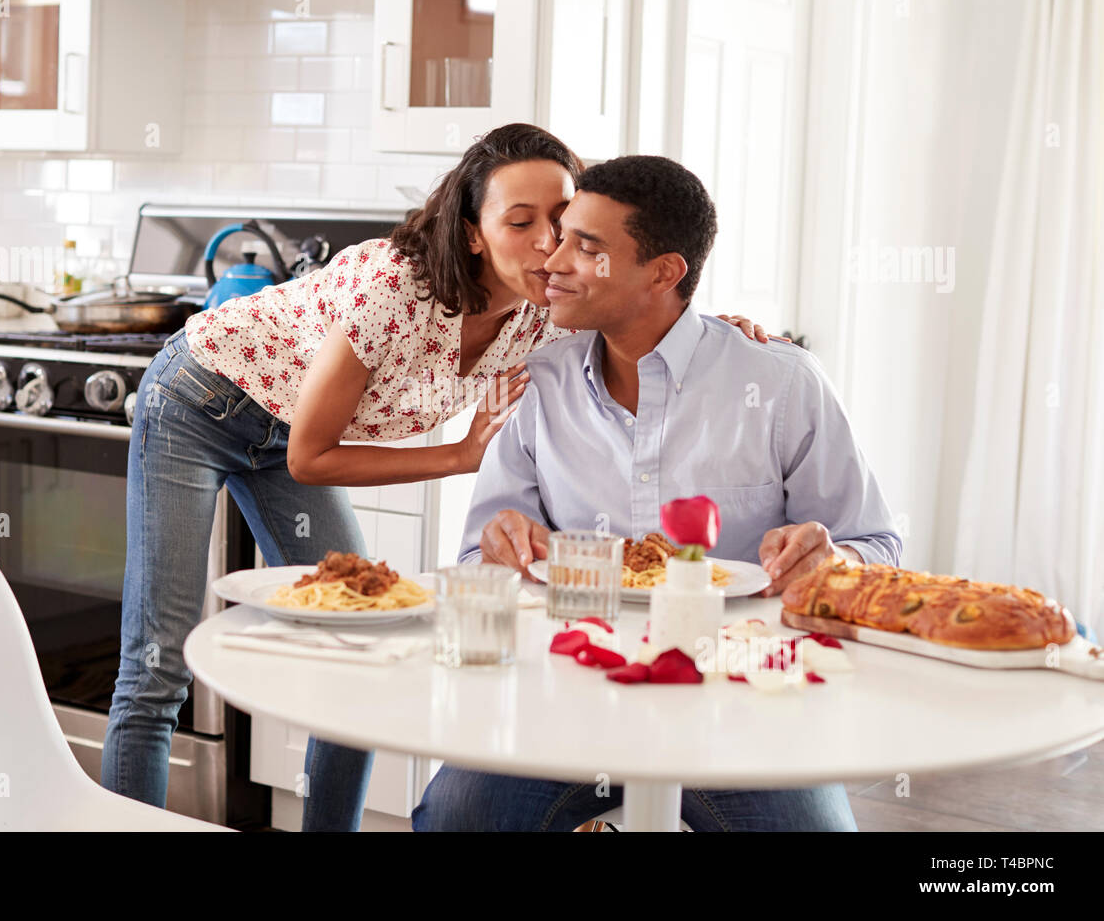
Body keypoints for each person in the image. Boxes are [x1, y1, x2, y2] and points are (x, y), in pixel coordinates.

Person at [101, 124, 781, 831]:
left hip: (297, 431)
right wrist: (458, 455)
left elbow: (645, 316)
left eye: (563, 219)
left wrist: (718, 333)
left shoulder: (545, 314)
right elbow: (310, 456)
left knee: (354, 655)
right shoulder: (397, 286)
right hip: (203, 400)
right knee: (156, 669)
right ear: (475, 234)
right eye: (521, 222)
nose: (550, 243)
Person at [411, 154, 902, 832]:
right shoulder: (535, 384)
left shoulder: (781, 383)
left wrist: (834, 562)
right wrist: (497, 551)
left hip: (740, 706)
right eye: (560, 236)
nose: (553, 261)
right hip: (565, 701)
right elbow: (479, 560)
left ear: (664, 273)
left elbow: (875, 545)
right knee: (454, 817)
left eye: (588, 247)